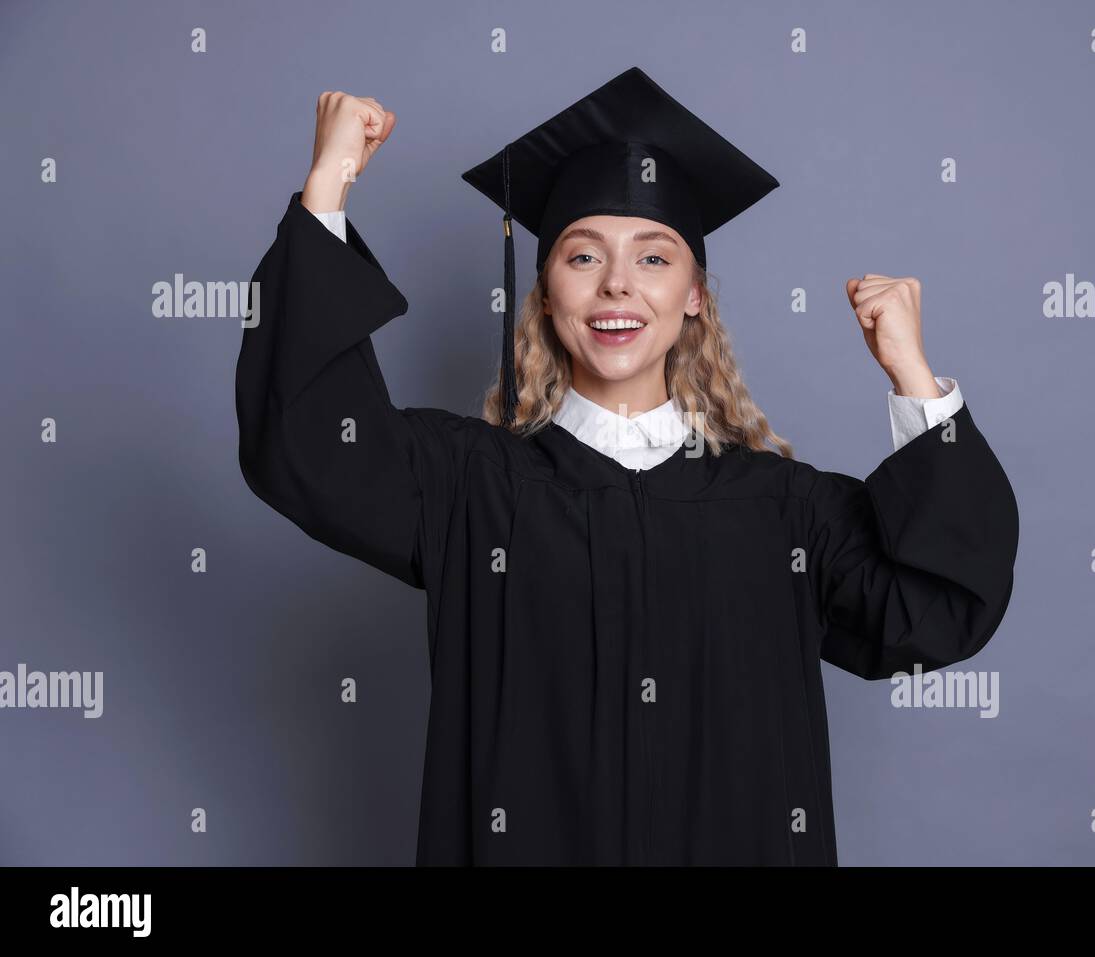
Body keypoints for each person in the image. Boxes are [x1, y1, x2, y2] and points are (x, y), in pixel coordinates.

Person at [235, 67, 1019, 866]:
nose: (617, 283)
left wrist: (912, 378)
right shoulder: (468, 486)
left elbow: (938, 606)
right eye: (583, 257)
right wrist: (326, 186)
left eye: (653, 258)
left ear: (694, 297)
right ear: (544, 292)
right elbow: (303, 445)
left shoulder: (785, 513)